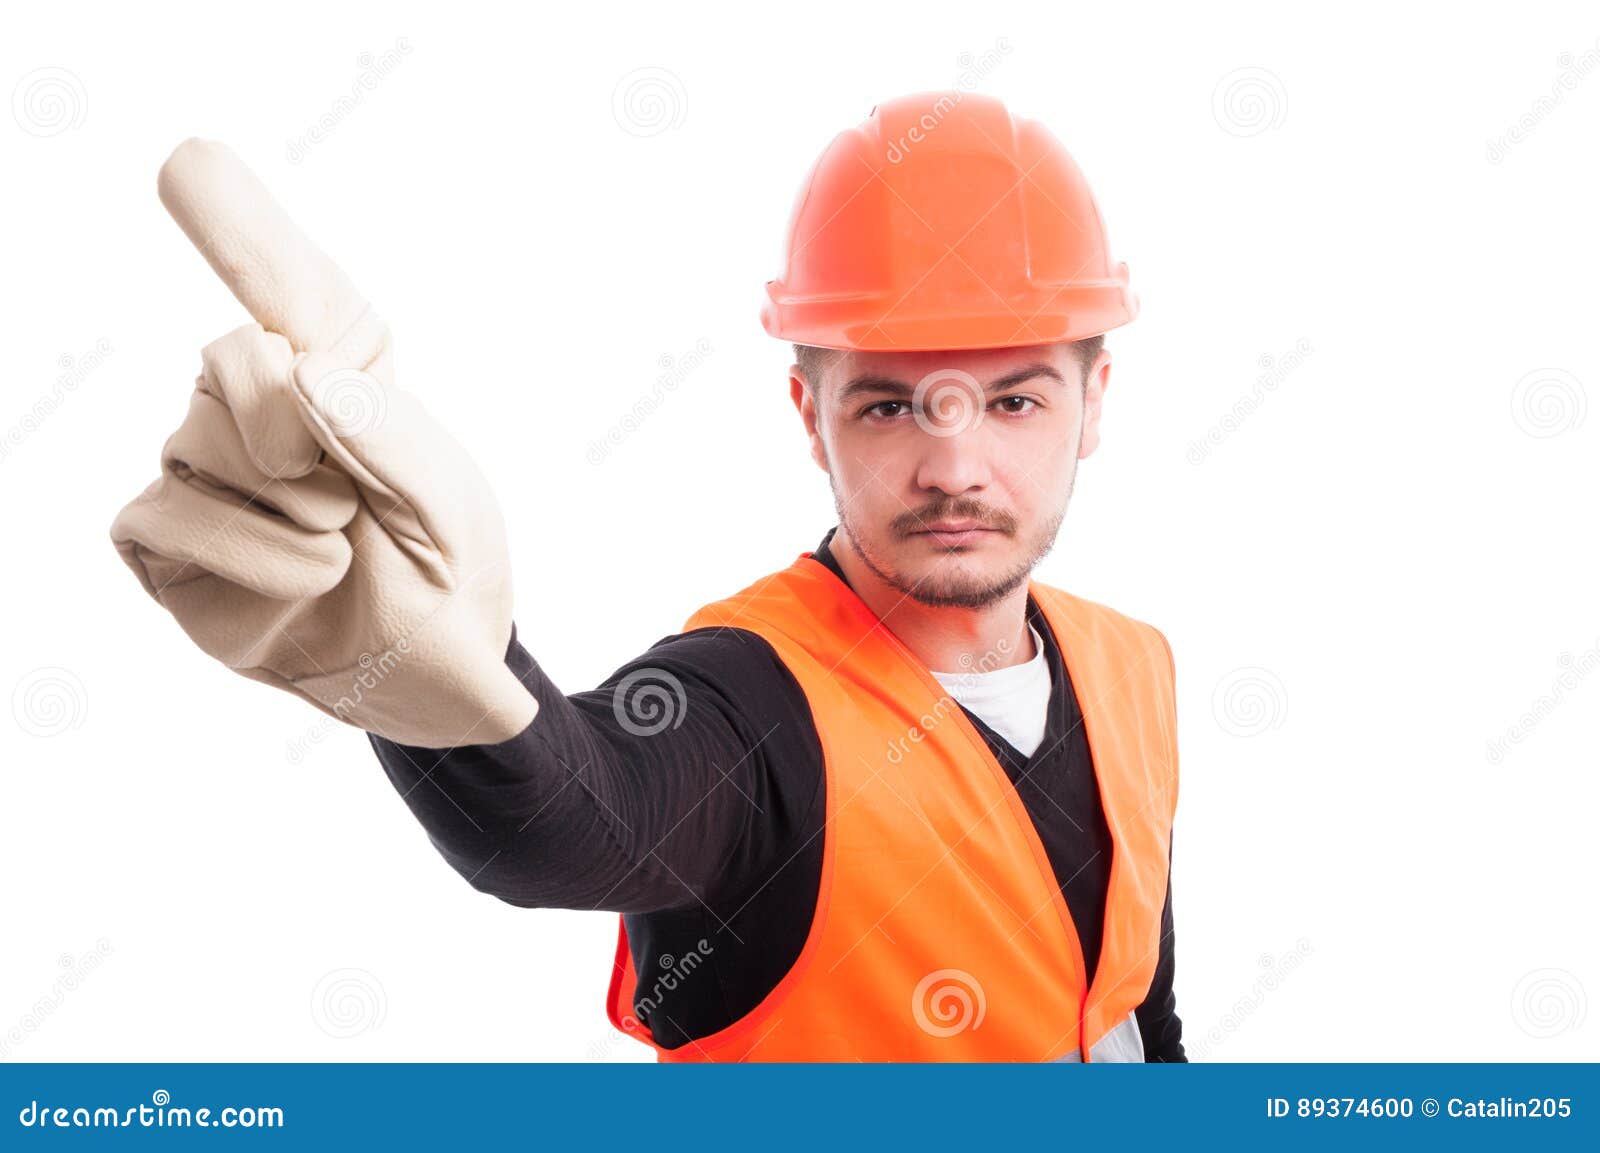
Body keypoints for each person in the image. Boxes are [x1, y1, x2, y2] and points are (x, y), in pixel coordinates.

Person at [110, 91, 1183, 1062]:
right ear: (812, 416)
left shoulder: (1129, 665)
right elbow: (576, 815)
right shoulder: (755, 711)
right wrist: (431, 667)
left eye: (1014, 400)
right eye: (888, 404)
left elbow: (1138, 1007)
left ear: (1095, 403)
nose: (955, 466)